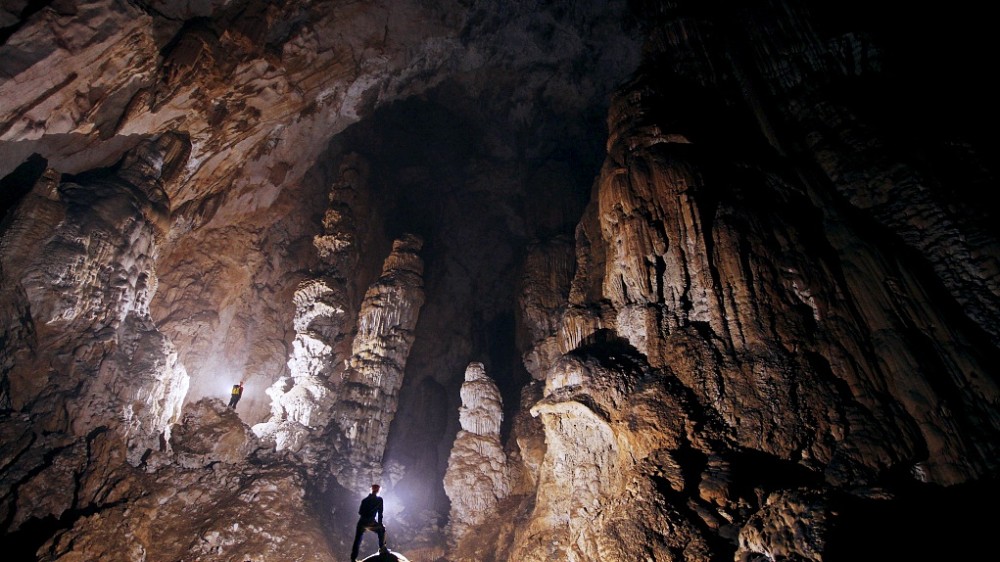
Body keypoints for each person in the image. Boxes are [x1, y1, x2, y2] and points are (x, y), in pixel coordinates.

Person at [350, 484, 388, 561]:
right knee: (382, 530)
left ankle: (353, 559)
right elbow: (380, 514)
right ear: (378, 491)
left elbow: (360, 512)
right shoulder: (379, 500)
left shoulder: (365, 500)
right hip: (370, 521)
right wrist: (380, 524)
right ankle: (382, 548)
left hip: (361, 522)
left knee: (357, 540)